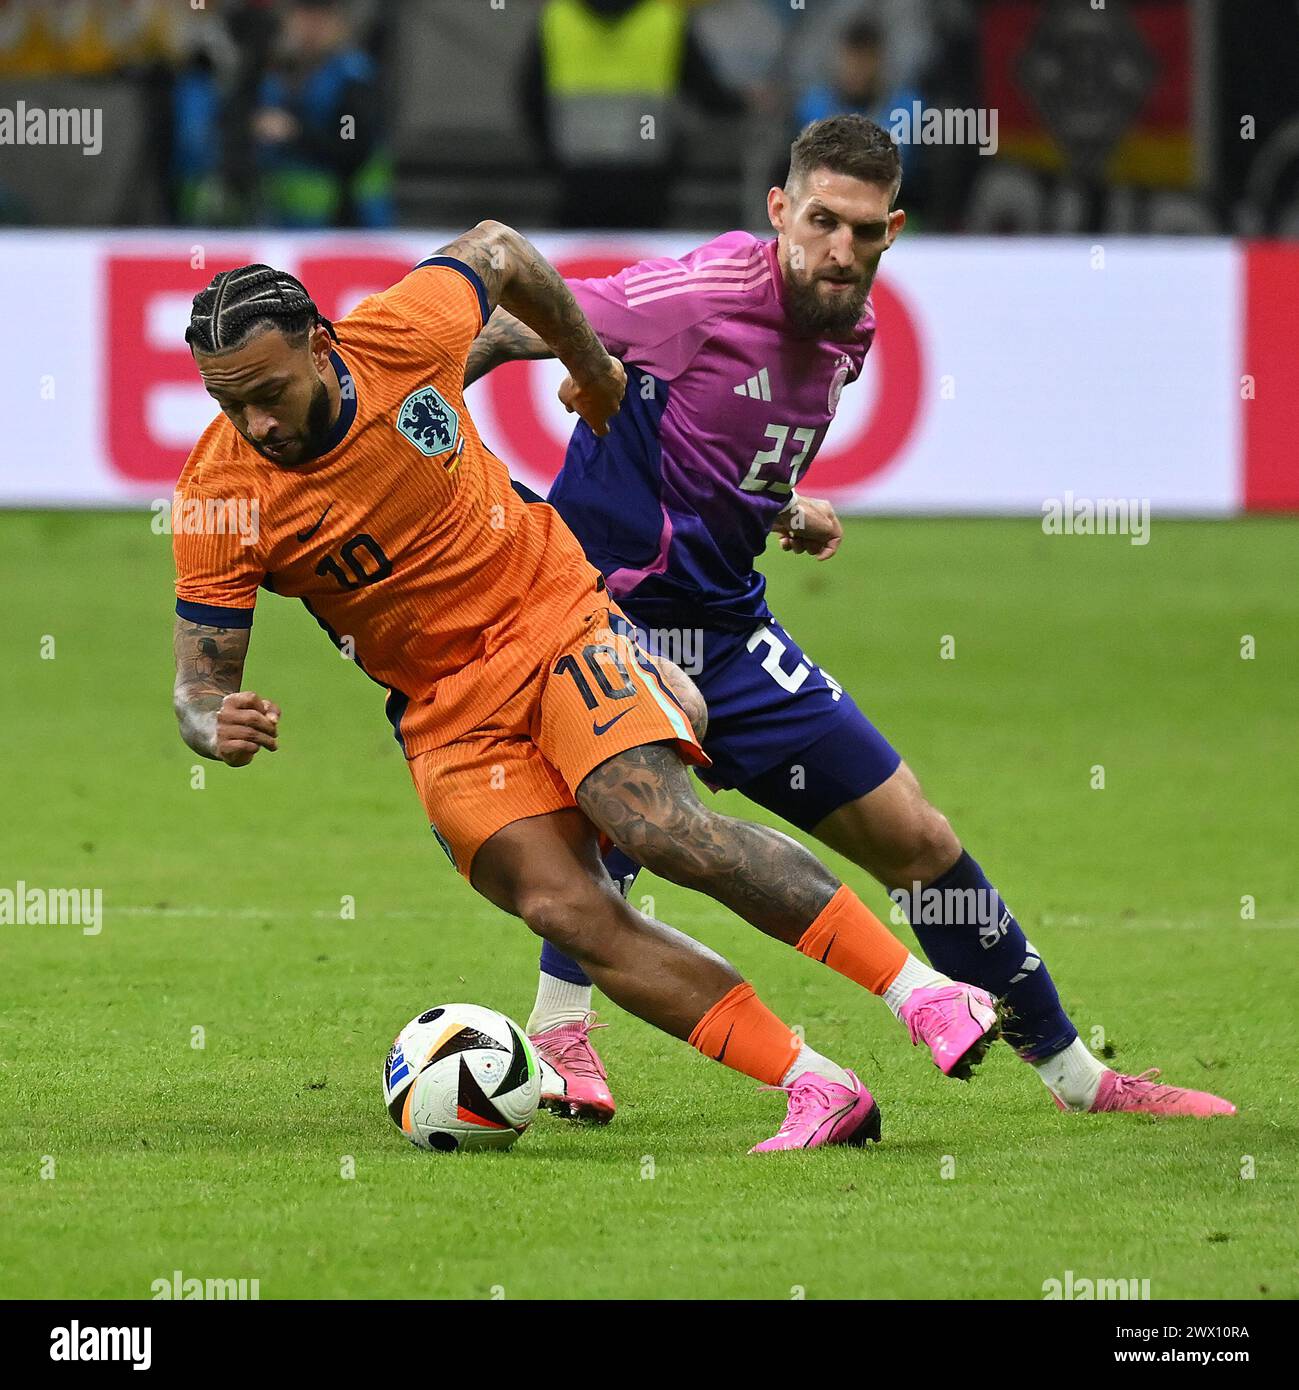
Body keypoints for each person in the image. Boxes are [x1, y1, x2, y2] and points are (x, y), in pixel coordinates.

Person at [464, 115, 1236, 1123]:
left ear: (893, 230)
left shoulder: (850, 328)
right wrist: (402, 401)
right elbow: (528, 316)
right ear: (779, 210)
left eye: (864, 231)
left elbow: (713, 443)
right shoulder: (702, 293)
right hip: (599, 616)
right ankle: (567, 1034)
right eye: (821, 221)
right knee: (634, 805)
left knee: (917, 838)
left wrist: (781, 501)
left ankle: (1081, 1080)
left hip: (732, 628)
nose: (840, 249)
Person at [169, 223, 1001, 1155]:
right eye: (228, 402)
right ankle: (815, 1085)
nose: (257, 424)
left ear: (320, 347)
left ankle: (924, 993)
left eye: (269, 393)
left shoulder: (402, 333)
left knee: (650, 819)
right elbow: (200, 682)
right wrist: (213, 722)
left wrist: (588, 364)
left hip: (554, 616)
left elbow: (500, 249)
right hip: (443, 709)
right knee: (563, 907)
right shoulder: (219, 494)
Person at [520, 0, 745, 228]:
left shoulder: (558, 16)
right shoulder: (665, 17)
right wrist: (748, 102)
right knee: (645, 260)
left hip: (575, 179)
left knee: (582, 256)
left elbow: (530, 100)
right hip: (648, 180)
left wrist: (551, 159)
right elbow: (709, 97)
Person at [250, 0, 392, 228]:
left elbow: (351, 144)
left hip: (346, 220)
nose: (310, 27)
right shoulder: (279, 71)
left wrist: (295, 132)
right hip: (283, 219)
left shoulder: (352, 77)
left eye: (321, 18)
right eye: (303, 16)